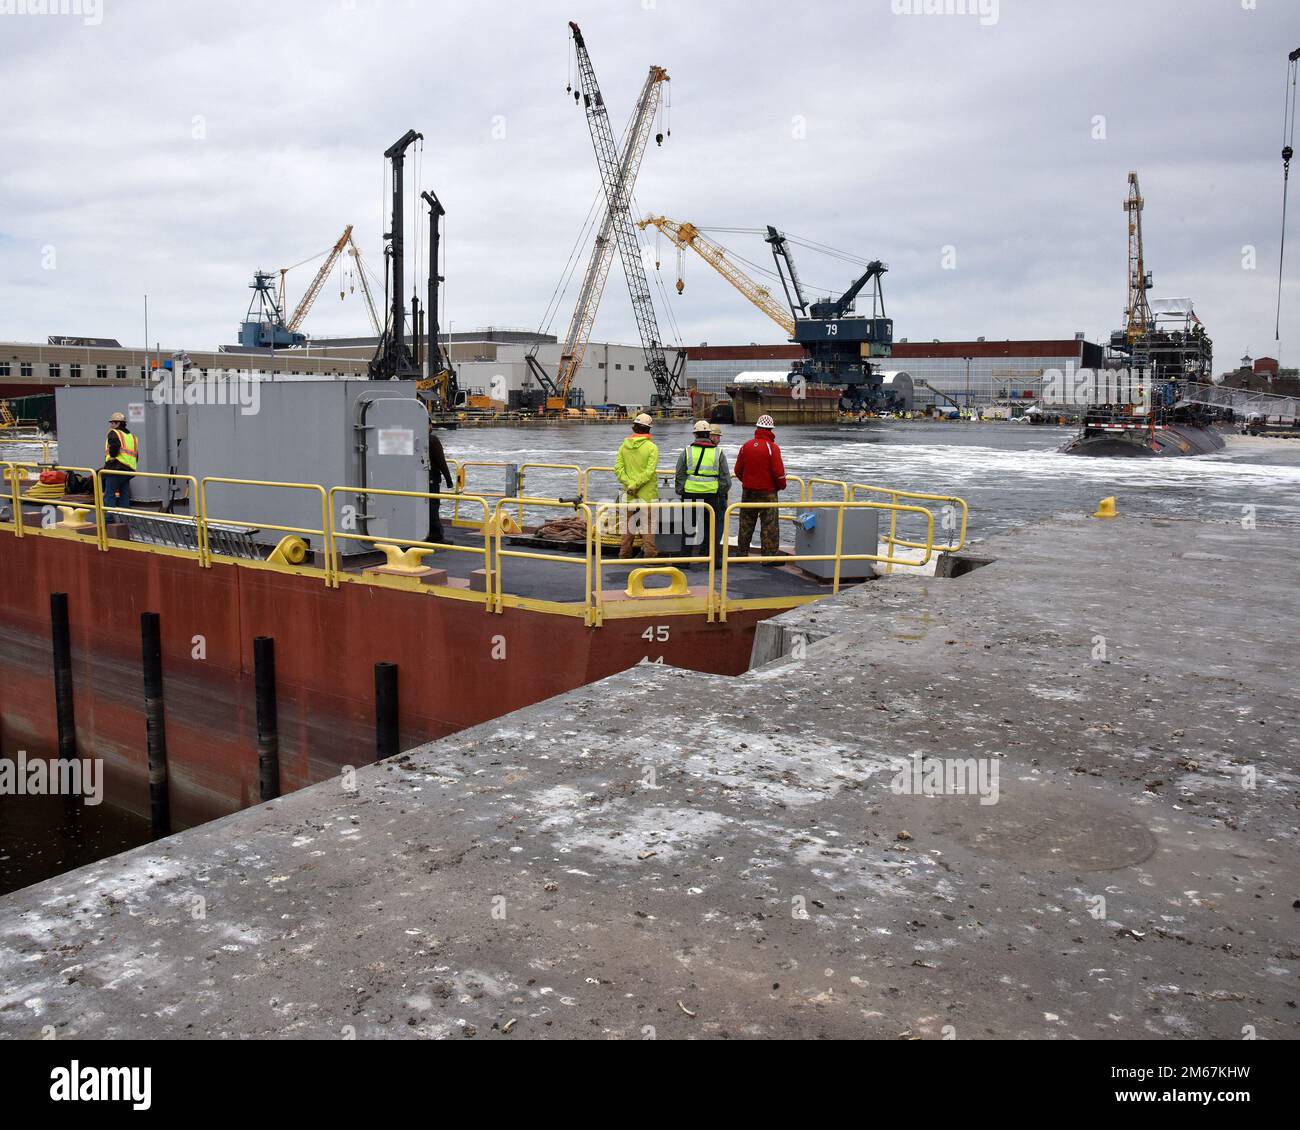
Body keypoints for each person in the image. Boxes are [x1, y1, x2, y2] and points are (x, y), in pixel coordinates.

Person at [733, 413, 787, 565]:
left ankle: (741, 555)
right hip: (768, 492)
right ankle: (768, 557)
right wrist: (781, 486)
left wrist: (747, 481)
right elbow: (778, 472)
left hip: (748, 491)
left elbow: (737, 470)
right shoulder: (773, 448)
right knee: (769, 525)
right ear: (771, 430)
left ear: (757, 428)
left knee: (745, 523)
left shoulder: (746, 446)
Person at [675, 419, 730, 568]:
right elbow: (726, 479)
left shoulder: (687, 451)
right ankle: (713, 561)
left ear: (695, 434)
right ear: (708, 434)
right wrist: (720, 492)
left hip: (690, 494)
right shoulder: (718, 452)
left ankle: (684, 561)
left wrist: (682, 491)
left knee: (688, 527)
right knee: (711, 527)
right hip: (711, 496)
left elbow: (679, 474)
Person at [614, 412, 659, 558]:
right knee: (648, 526)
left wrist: (630, 485)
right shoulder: (652, 447)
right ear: (648, 429)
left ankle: (624, 555)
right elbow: (649, 471)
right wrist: (636, 485)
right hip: (647, 494)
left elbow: (618, 469)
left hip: (629, 493)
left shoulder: (623, 447)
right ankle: (650, 556)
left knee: (628, 525)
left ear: (634, 428)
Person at [101, 410, 138, 512]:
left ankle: (109, 520)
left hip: (115, 469)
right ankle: (125, 519)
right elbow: (136, 455)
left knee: (109, 495)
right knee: (124, 495)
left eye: (113, 423)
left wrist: (111, 459)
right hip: (128, 470)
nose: (111, 425)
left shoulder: (114, 433)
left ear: (119, 423)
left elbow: (114, 448)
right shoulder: (132, 436)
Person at [428, 428, 454, 544]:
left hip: (414, 480)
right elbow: (441, 461)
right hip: (431, 479)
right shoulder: (432, 440)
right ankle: (436, 535)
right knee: (433, 506)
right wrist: (449, 480)